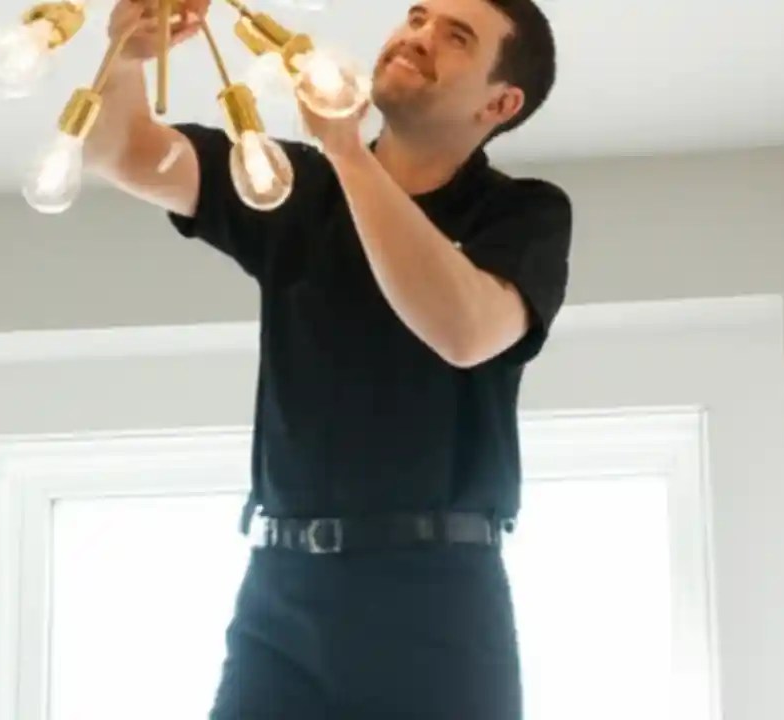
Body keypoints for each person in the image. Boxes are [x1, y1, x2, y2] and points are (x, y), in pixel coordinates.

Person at [85, 0, 571, 717]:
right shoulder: (288, 182)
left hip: (437, 602)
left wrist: (347, 152)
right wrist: (126, 54)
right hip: (280, 592)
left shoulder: (524, 213)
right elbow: (121, 152)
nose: (419, 36)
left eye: (456, 36)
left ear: (499, 103)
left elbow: (465, 331)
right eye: (417, 16)